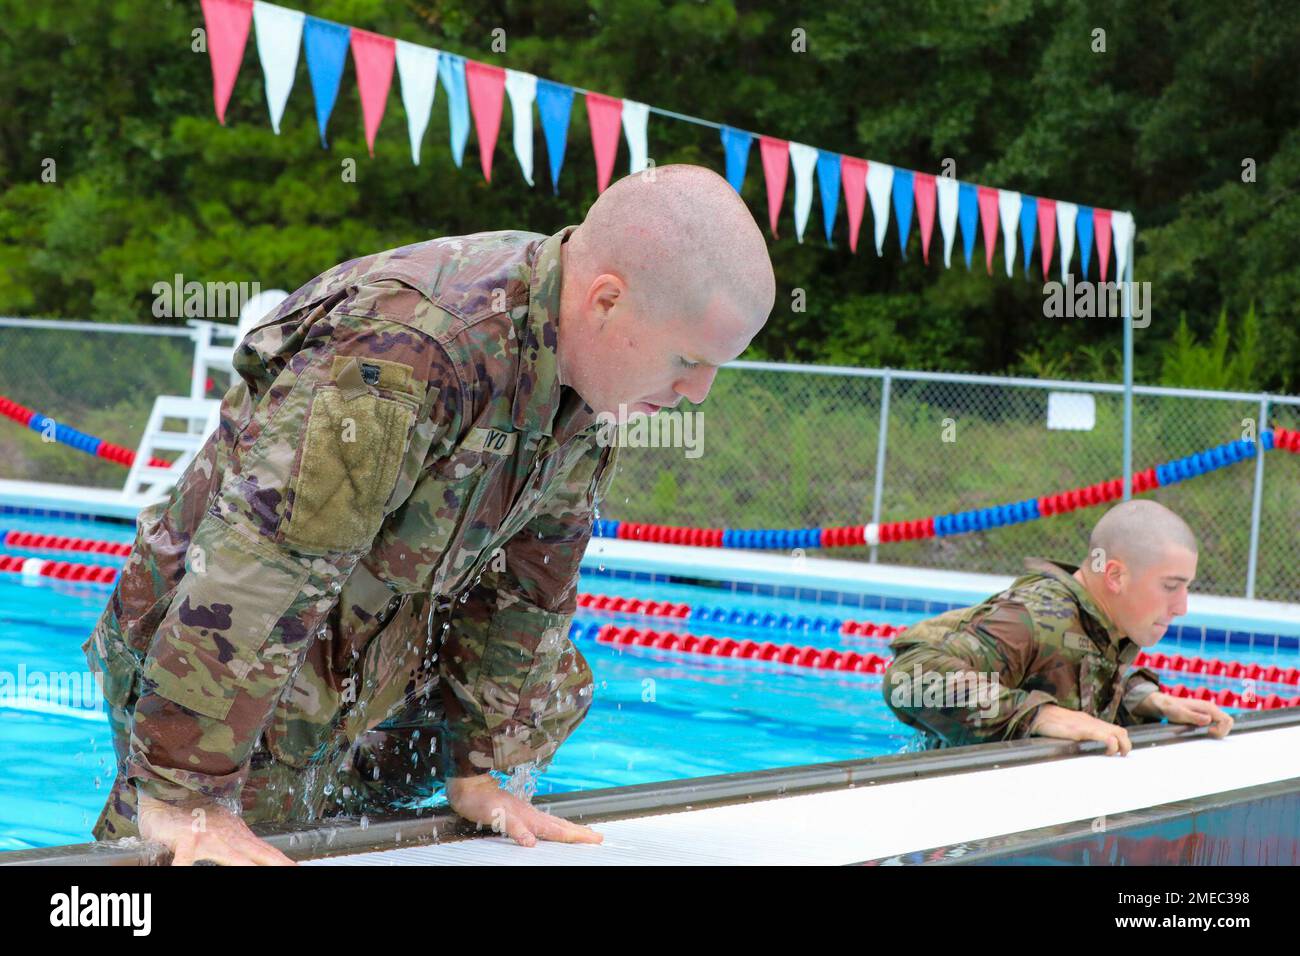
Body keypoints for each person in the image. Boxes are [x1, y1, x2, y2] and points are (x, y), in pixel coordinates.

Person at [84, 163, 775, 864]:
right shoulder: (409, 349)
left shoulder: (589, 379)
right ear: (606, 301)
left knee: (550, 689)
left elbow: (530, 581)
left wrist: (476, 766)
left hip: (366, 646)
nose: (697, 391)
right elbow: (264, 567)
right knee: (191, 854)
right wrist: (185, 793)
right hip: (227, 662)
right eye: (688, 359)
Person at [883, 499, 1234, 754]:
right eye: (1170, 587)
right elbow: (907, 678)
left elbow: (1075, 678)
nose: (1182, 607)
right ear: (1115, 575)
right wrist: (1039, 716)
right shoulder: (1034, 616)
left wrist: (1147, 700)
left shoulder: (1103, 622)